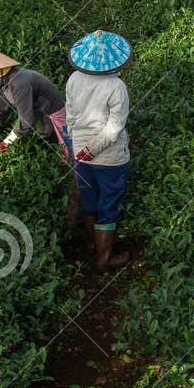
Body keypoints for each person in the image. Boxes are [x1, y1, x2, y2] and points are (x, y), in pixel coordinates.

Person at [66, 31, 135, 270]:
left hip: (80, 154)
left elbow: (71, 116)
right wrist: (93, 149)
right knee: (109, 204)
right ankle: (104, 260)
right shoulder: (116, 86)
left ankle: (92, 247)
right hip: (109, 158)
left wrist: (78, 147)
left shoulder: (74, 79)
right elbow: (114, 128)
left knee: (89, 200)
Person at [0, 46, 66, 154]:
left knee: (67, 145)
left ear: (1, 72)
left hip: (54, 112)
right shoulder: (2, 83)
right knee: (47, 140)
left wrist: (6, 143)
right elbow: (2, 110)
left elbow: (26, 121)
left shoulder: (19, 83)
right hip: (38, 112)